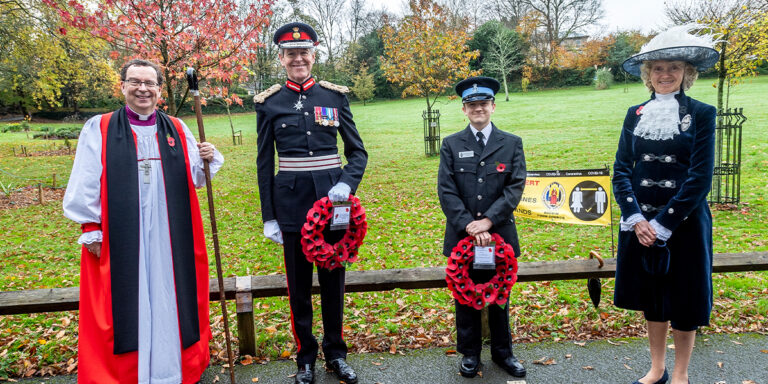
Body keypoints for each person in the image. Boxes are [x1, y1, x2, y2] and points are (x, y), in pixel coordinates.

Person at [62, 59, 224, 384]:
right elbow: (86, 179)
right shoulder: (101, 127)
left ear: (160, 90)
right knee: (128, 298)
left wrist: (207, 157)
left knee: (170, 292)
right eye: (134, 82)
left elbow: (196, 177)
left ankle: (170, 370)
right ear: (122, 86)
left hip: (169, 230)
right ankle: (130, 374)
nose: (142, 89)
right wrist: (90, 226)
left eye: (150, 83)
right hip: (124, 233)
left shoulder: (177, 128)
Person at [253, 22, 367, 384]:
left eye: (304, 53)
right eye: (291, 54)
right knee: (299, 287)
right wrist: (269, 215)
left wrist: (346, 184)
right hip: (291, 206)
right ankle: (305, 357)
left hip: (333, 207)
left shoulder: (334, 97)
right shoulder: (269, 103)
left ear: (314, 56)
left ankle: (336, 353)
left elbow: (357, 152)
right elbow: (264, 163)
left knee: (333, 283)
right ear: (282, 59)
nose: (297, 58)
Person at [612, 25, 719, 384]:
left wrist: (663, 223)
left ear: (687, 73)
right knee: (653, 298)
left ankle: (681, 374)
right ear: (648, 74)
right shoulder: (635, 113)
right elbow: (622, 169)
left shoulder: (703, 114)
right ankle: (657, 369)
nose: (665, 74)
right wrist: (636, 217)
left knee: (685, 301)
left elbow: (700, 177)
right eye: (657, 68)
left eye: (673, 67)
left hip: (684, 224)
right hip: (640, 225)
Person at [437, 76, 527, 378]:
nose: (478, 108)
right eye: (471, 104)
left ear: (493, 106)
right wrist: (470, 226)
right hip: (463, 237)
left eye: (483, 103)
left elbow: (515, 188)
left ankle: (503, 354)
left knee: (500, 297)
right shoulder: (451, 144)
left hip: (499, 234)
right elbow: (446, 190)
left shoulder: (512, 143)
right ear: (464, 109)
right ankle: (470, 354)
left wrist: (488, 221)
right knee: (465, 296)